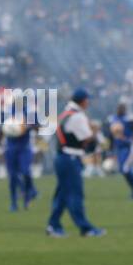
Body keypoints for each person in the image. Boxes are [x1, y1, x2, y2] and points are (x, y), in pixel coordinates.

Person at [46, 88, 105, 237]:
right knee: (75, 195)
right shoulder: (78, 116)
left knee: (62, 195)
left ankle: (53, 225)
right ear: (84, 101)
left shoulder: (66, 113)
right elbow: (87, 139)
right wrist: (95, 131)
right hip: (71, 158)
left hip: (62, 157)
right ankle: (85, 227)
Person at [109, 102, 133, 198]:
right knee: (122, 169)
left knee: (125, 168)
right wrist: (111, 147)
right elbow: (112, 135)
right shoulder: (114, 119)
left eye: (122, 109)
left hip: (128, 147)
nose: (120, 110)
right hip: (119, 147)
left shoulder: (129, 119)